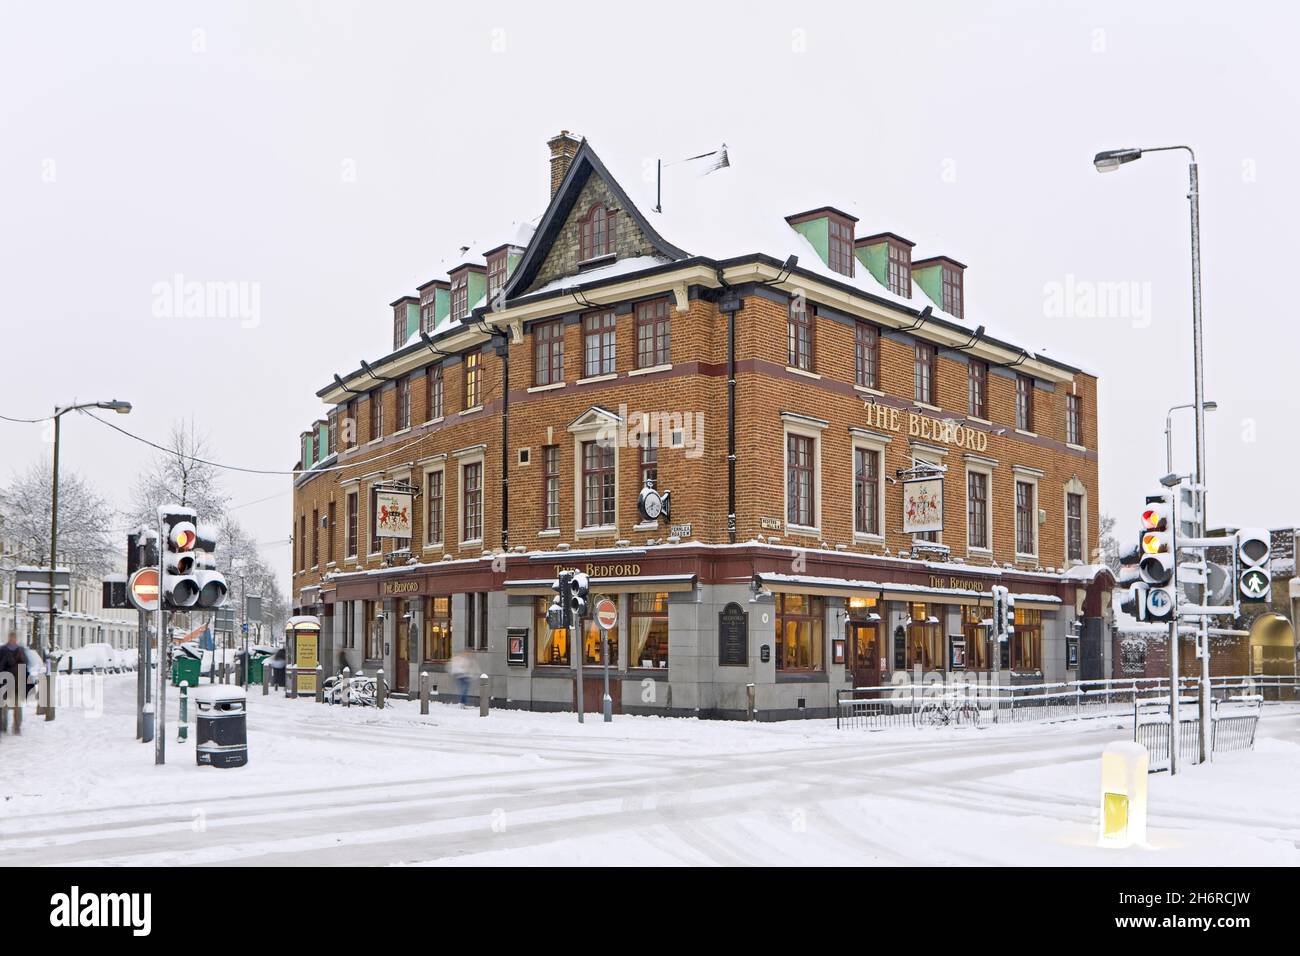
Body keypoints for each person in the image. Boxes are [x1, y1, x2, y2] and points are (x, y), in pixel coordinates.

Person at [0, 631, 26, 728]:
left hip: (17, 683)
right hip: (5, 682)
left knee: (17, 706)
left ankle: (17, 727)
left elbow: (25, 665)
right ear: (9, 638)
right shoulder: (3, 650)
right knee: (4, 707)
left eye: (14, 637)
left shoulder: (20, 650)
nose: (13, 639)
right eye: (11, 637)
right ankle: (3, 726)